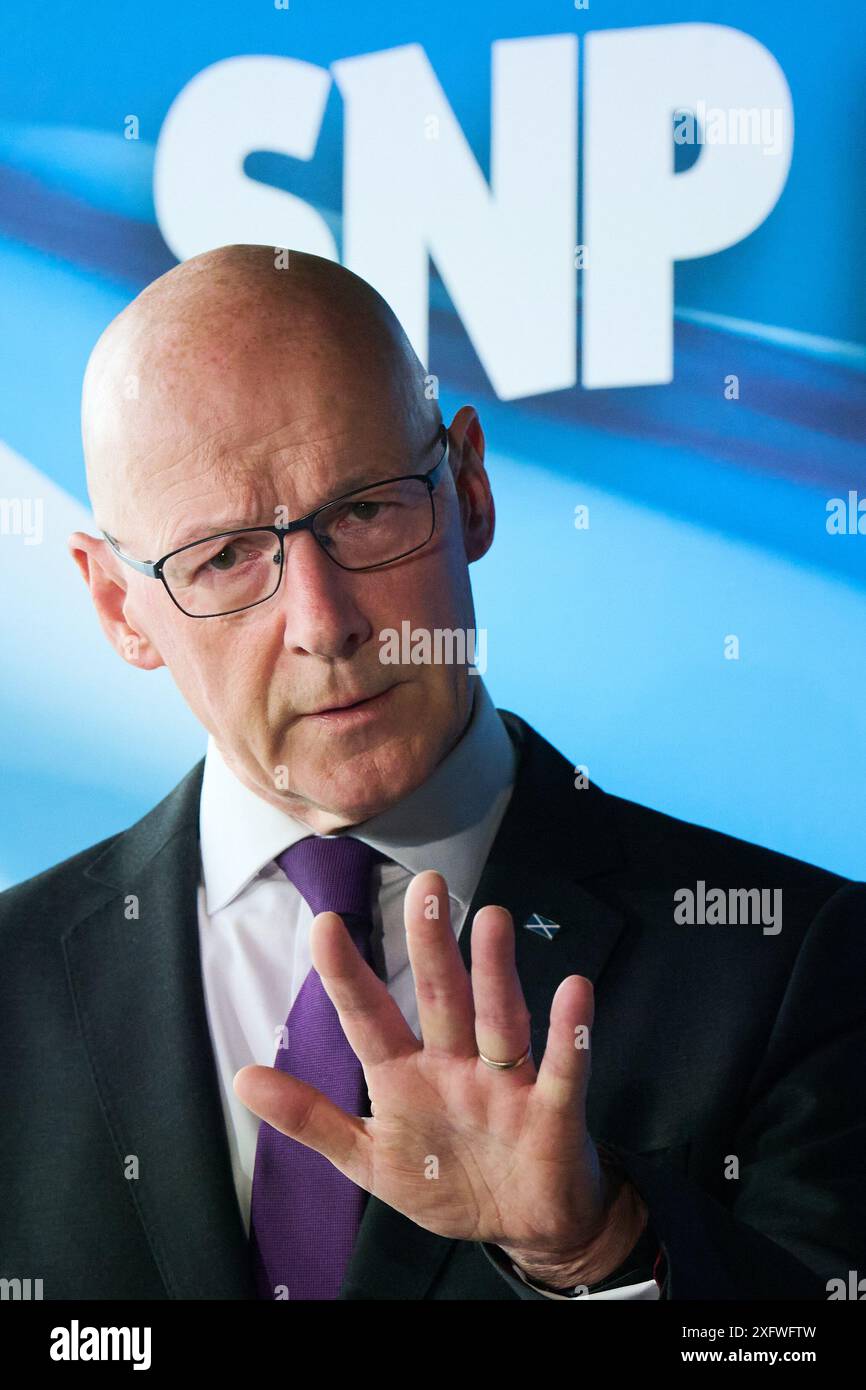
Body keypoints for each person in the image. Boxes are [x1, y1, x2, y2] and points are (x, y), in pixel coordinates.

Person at [0, 245, 862, 1301]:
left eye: (363, 510)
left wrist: (599, 1252)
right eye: (223, 557)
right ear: (116, 609)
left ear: (469, 488)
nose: (322, 623)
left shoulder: (793, 960)